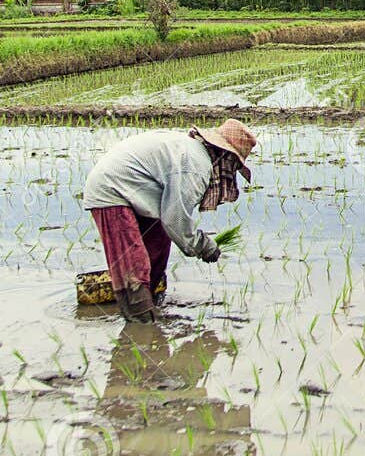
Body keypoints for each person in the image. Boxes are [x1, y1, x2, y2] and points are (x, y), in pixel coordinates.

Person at [83, 120, 256, 324]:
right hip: (112, 192)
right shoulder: (196, 166)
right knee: (133, 263)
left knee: (157, 247)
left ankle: (151, 303)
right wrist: (203, 246)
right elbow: (176, 220)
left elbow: (170, 219)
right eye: (234, 165)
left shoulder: (194, 154)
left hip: (136, 192)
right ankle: (141, 324)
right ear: (224, 155)